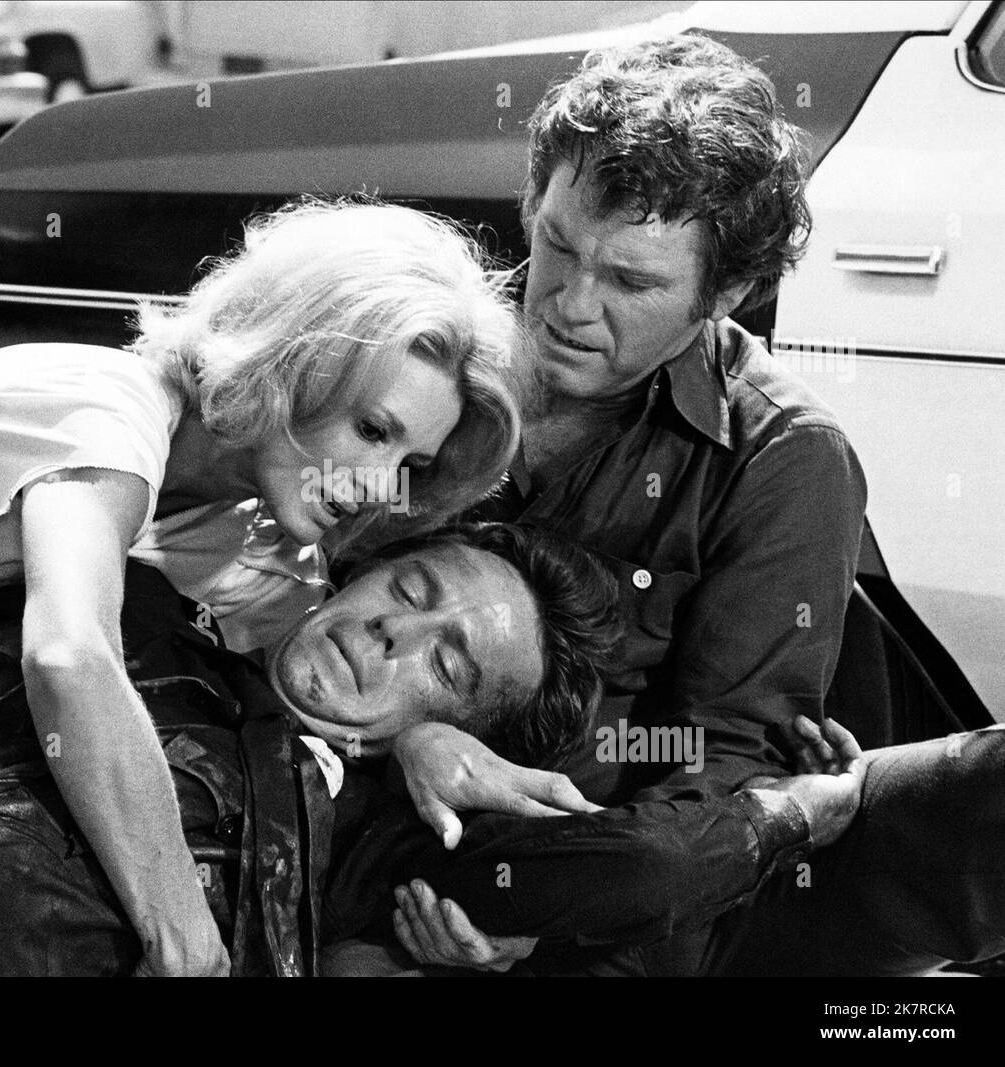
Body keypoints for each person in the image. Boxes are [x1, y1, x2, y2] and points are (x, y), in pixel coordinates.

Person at [0, 201, 530, 975]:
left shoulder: (249, 533)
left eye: (410, 464)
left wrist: (419, 742)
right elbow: (70, 658)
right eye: (372, 430)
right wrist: (182, 934)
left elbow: (305, 710)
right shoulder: (105, 412)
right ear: (293, 361)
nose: (382, 484)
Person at [357, 34, 1005, 976]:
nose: (569, 305)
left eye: (631, 282)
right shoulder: (427, 348)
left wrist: (554, 918)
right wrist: (405, 735)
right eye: (557, 246)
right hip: (332, 788)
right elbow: (272, 582)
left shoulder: (784, 460)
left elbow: (717, 788)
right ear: (533, 204)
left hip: (587, 885)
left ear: (726, 291)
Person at [0, 524, 861, 976]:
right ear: (359, 570)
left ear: (460, 732)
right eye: (409, 591)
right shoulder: (130, 603)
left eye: (447, 666)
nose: (390, 635)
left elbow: (642, 869)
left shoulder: (369, 852)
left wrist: (805, 804)